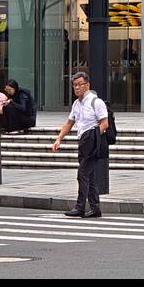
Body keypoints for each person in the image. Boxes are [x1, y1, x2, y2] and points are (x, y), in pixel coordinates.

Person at [52, 71, 111, 218]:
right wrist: (59, 138)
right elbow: (69, 122)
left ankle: (80, 207)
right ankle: (95, 208)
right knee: (89, 177)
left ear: (87, 85)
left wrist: (94, 137)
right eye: (75, 85)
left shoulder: (96, 102)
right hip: (83, 142)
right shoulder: (76, 104)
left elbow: (105, 123)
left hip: (93, 143)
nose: (77, 88)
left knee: (82, 174)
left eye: (80, 84)